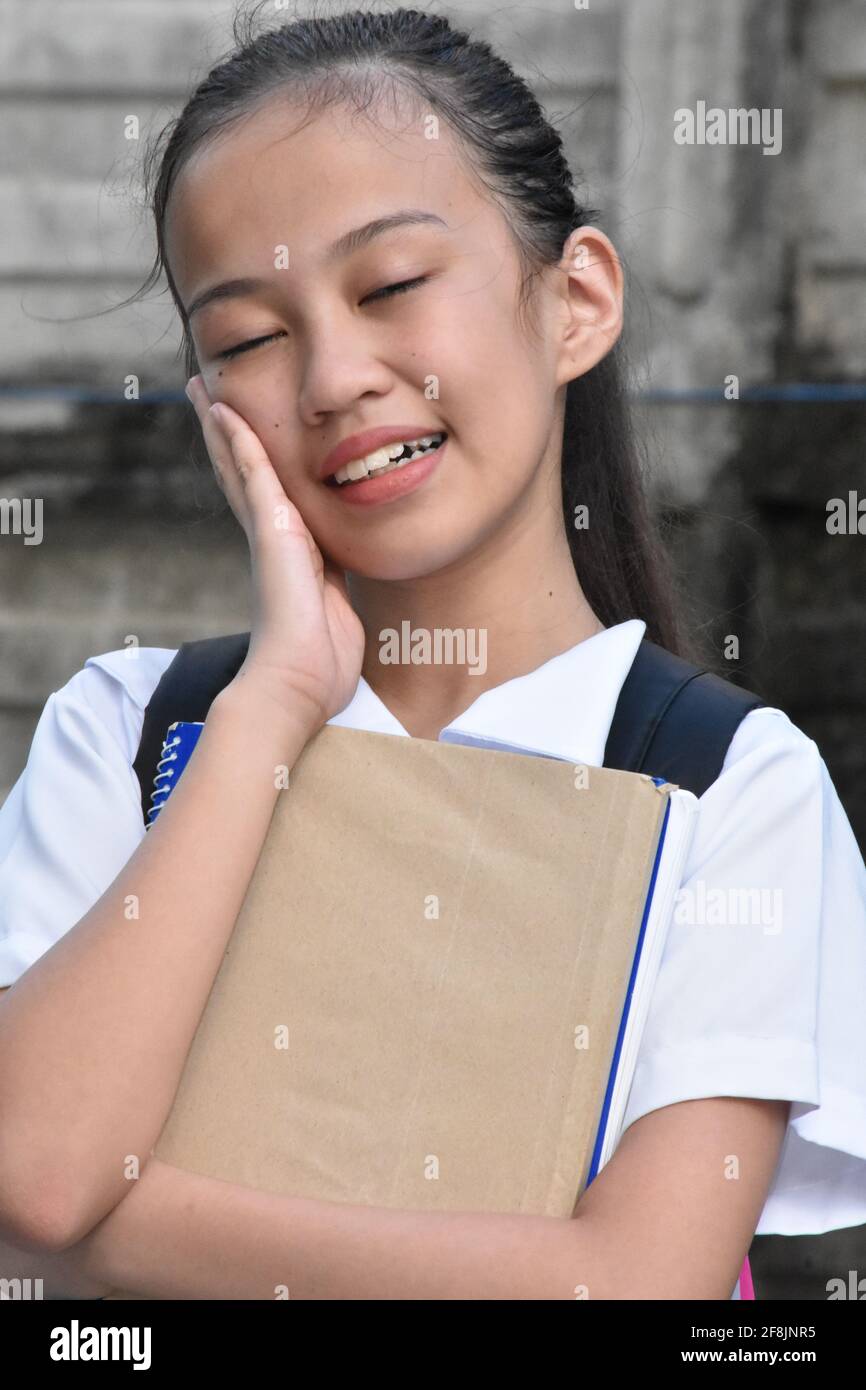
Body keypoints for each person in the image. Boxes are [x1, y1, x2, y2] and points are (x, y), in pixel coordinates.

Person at [0, 5, 864, 1301]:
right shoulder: (129, 732)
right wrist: (272, 704)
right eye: (245, 337)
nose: (334, 375)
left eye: (392, 285)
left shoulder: (728, 790)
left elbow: (629, 1284)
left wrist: (96, 1235)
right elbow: (44, 1163)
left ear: (573, 301)